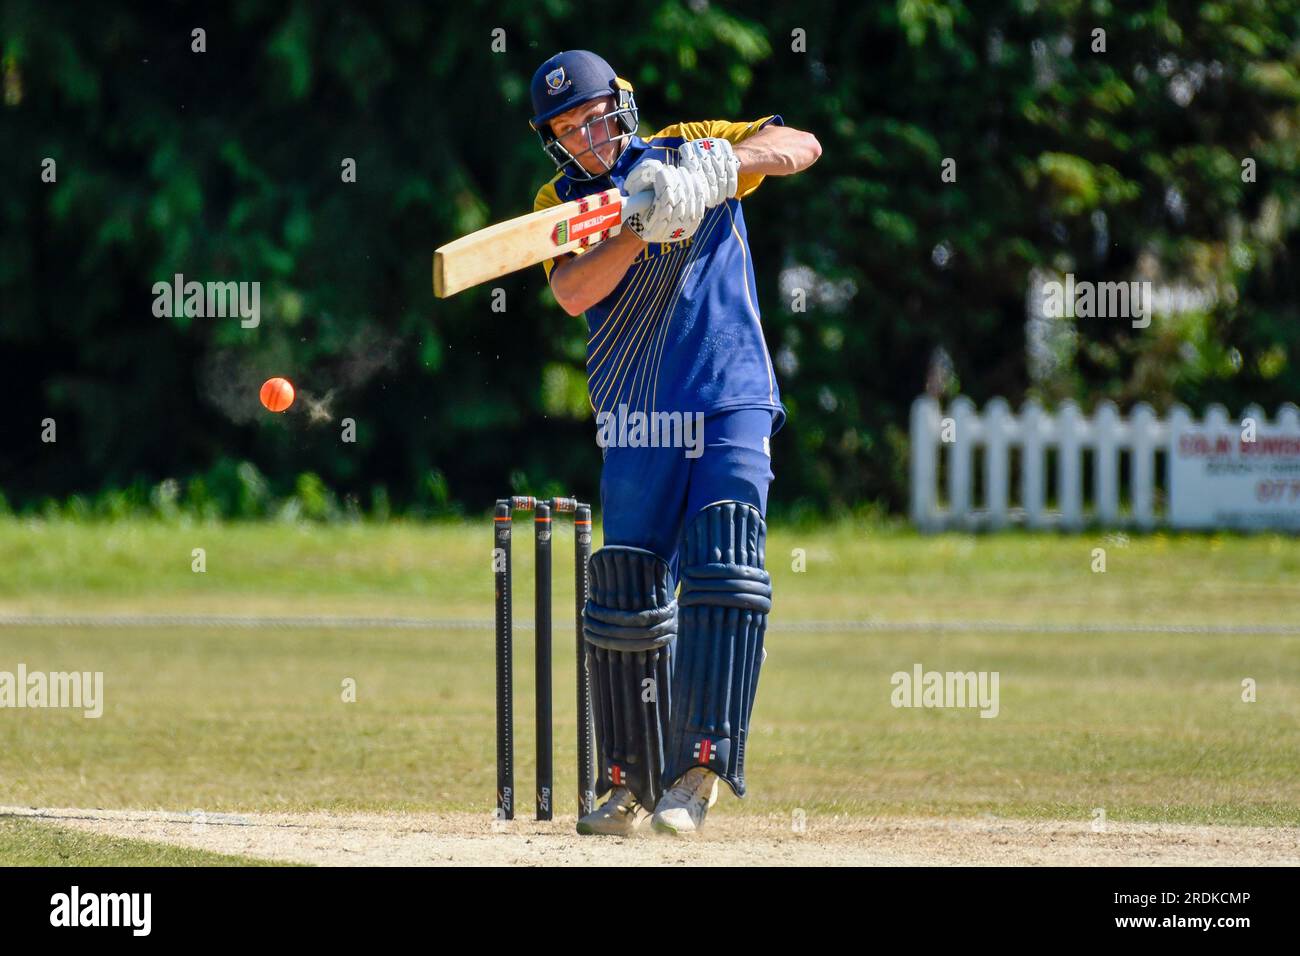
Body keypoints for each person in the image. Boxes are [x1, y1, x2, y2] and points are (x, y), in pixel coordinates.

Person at [529, 50, 821, 836]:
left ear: (620, 103)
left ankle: (697, 772)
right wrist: (641, 220)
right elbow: (571, 290)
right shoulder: (560, 199)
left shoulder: (685, 141)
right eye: (566, 129)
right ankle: (626, 780)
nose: (586, 136)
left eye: (593, 116)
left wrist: (719, 169)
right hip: (637, 414)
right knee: (625, 590)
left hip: (730, 393)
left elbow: (801, 147)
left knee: (725, 563)